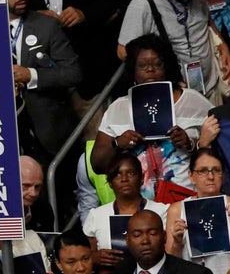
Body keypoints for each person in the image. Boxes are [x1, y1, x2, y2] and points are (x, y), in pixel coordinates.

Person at [90, 34, 211, 200]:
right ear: (133, 70)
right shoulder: (118, 107)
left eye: (157, 64)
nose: (150, 70)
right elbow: (97, 164)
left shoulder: (193, 101)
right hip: (139, 208)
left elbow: (222, 151)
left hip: (186, 202)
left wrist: (191, 144)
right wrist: (118, 144)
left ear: (167, 67)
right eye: (142, 65)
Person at [119, 0, 230, 104]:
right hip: (175, 98)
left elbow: (206, 20)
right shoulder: (142, 6)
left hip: (209, 88)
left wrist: (222, 44)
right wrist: (162, 76)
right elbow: (124, 51)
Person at [4, 0, 84, 167]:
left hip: (48, 132)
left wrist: (31, 75)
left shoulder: (46, 25)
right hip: (2, 130)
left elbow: (73, 73)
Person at [163, 148, 230, 274]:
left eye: (216, 170)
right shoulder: (177, 209)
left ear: (222, 175)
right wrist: (176, 242)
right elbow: (170, 268)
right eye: (203, 171)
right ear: (191, 176)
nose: (210, 176)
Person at [82, 153, 170, 274]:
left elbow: (171, 253)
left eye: (131, 173)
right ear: (110, 182)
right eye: (118, 174)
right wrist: (94, 259)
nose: (124, 179)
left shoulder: (162, 211)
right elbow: (83, 257)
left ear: (141, 178)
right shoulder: (96, 215)